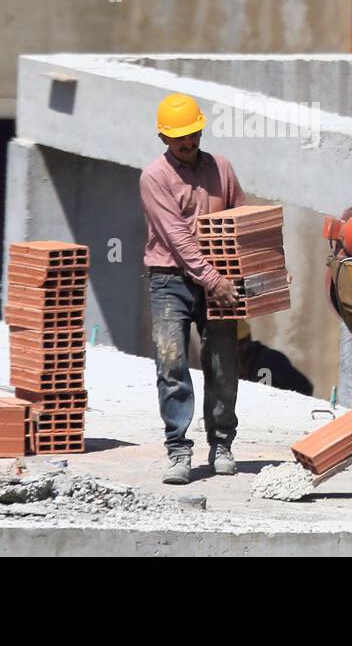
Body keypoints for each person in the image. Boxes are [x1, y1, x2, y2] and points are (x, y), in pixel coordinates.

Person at [140, 92, 244, 485]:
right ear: (164, 138)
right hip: (170, 281)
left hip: (218, 281)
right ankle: (179, 450)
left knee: (223, 364)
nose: (189, 142)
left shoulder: (222, 169)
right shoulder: (154, 178)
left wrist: (252, 271)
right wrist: (214, 281)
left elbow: (241, 222)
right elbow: (178, 239)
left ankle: (221, 443)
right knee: (172, 365)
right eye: (180, 137)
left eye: (194, 133)